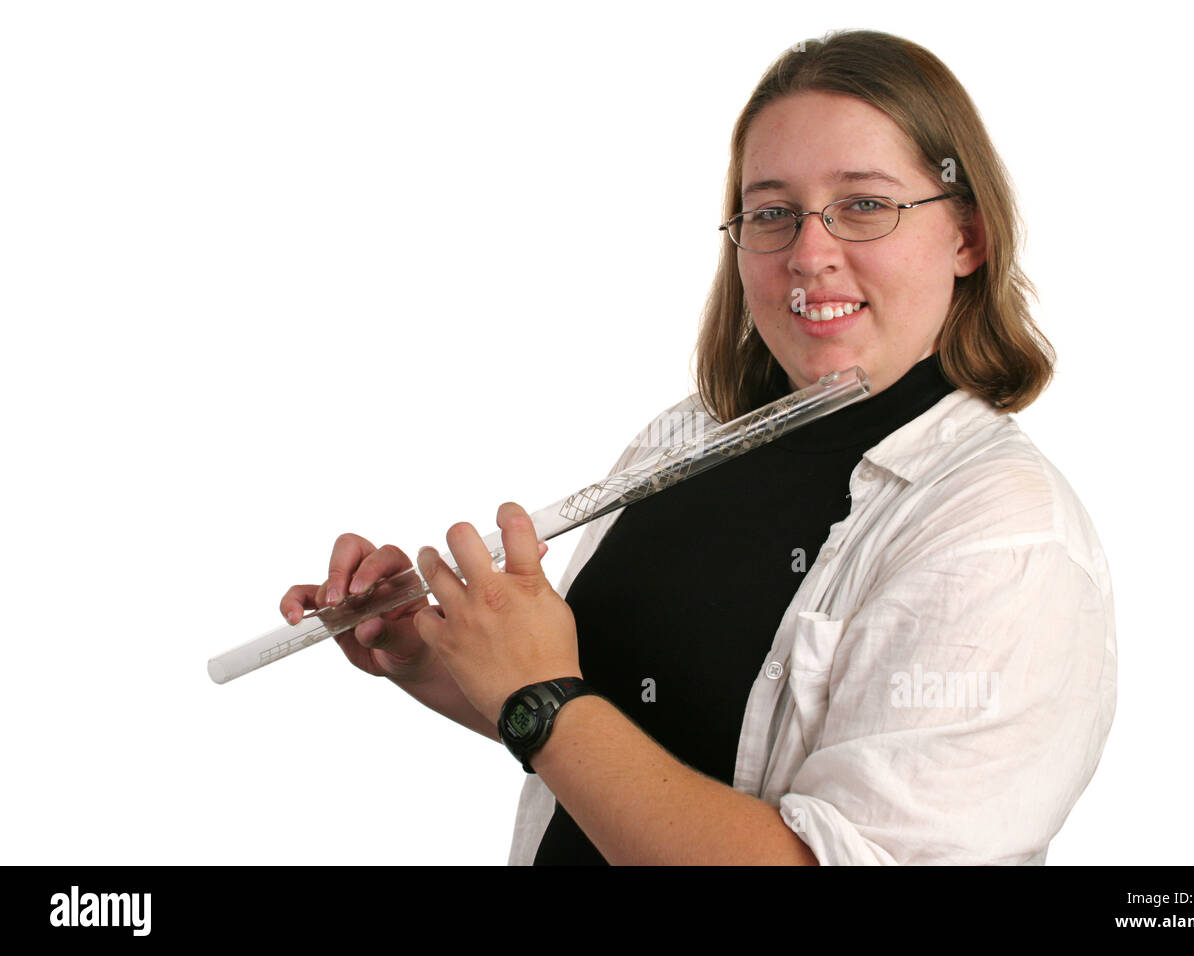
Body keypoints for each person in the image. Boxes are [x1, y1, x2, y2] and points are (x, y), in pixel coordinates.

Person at [279, 29, 1117, 865]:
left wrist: (537, 696)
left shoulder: (1006, 539)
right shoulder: (687, 440)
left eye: (864, 204)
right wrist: (438, 651)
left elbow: (565, 718)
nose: (809, 254)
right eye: (773, 213)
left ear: (967, 236)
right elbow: (600, 731)